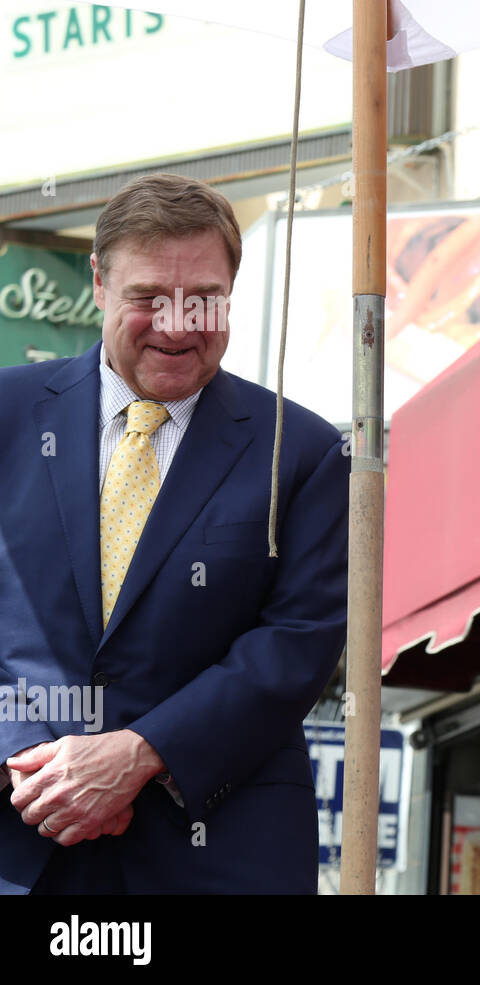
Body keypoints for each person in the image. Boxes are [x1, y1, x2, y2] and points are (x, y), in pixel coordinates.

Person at [0, 173, 348, 893]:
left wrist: (142, 752)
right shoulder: (6, 416)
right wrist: (29, 757)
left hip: (217, 853)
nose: (180, 323)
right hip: (22, 835)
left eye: (205, 299)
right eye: (150, 297)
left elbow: (298, 641)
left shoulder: (303, 451)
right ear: (98, 283)